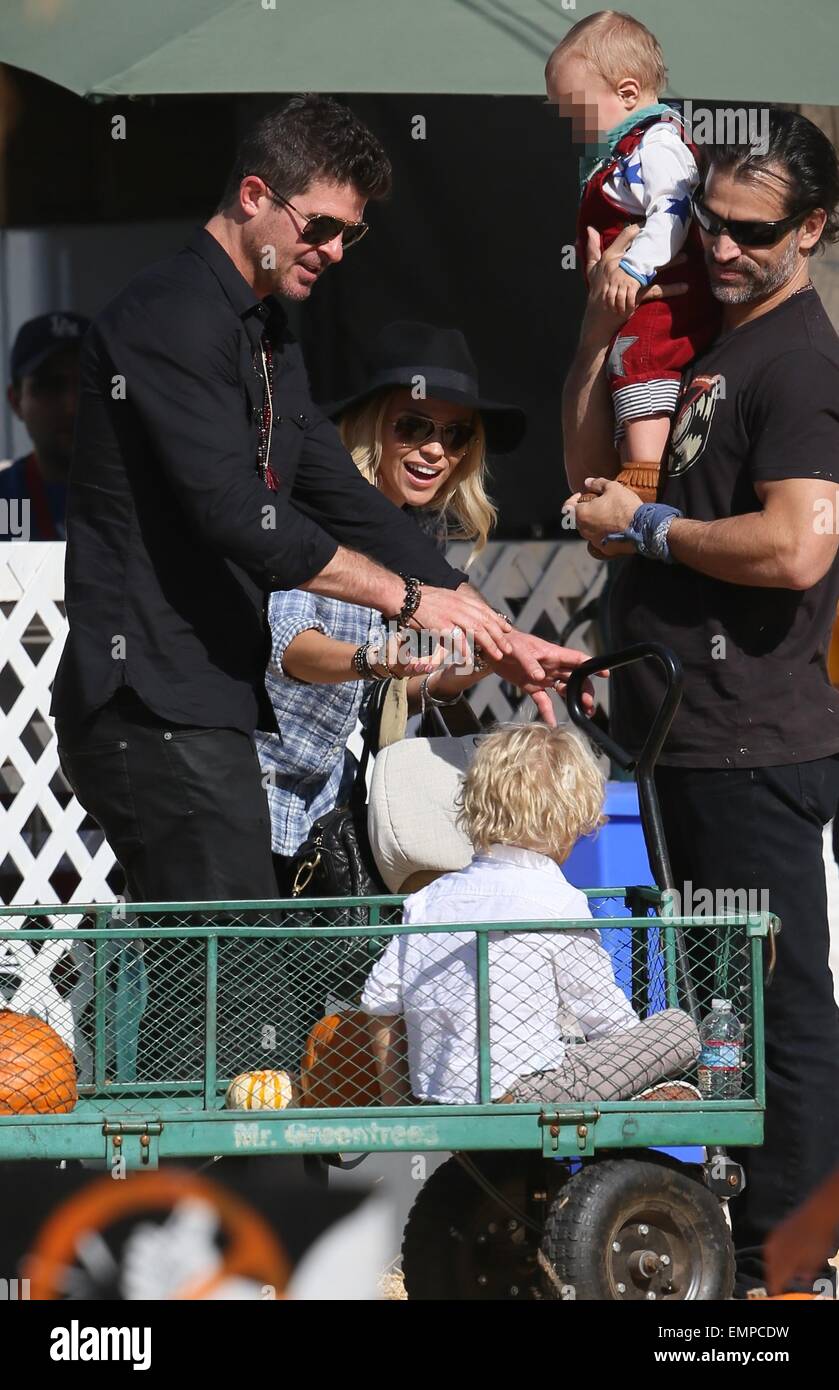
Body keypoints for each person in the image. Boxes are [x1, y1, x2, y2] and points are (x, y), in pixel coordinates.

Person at [50, 95, 587, 905]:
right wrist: (405, 599)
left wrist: (490, 626)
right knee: (224, 980)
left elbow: (336, 491)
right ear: (254, 195)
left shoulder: (265, 330)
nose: (335, 251)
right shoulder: (165, 316)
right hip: (146, 697)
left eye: (351, 234)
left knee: (229, 982)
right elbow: (231, 509)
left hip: (206, 702)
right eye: (322, 226)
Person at [565, 108, 839, 1296]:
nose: (718, 249)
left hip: (750, 736)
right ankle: (751, 1256)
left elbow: (793, 549)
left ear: (813, 230)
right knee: (721, 1006)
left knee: (776, 1006)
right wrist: (595, 323)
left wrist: (653, 530)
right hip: (691, 732)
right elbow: (591, 464)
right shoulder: (717, 341)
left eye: (748, 232)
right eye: (704, 222)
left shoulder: (799, 363)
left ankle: (792, 1266)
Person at [258, 319, 538, 891]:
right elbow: (292, 651)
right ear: (369, 427)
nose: (436, 451)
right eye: (413, 426)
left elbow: (382, 692)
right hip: (251, 807)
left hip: (330, 821)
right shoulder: (310, 521)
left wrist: (456, 676)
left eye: (457, 436)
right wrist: (372, 658)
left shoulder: (415, 542)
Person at [360, 722, 699, 1107]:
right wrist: (640, 1066)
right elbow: (603, 1019)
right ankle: (642, 1097)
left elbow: (379, 1000)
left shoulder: (428, 900)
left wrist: (399, 1102)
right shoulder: (557, 901)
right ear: (569, 820)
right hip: (525, 1094)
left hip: (436, 1096)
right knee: (679, 1029)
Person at [545, 11, 718, 491]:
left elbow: (674, 207)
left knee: (642, 364)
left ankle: (644, 479)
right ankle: (628, 468)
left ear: (627, 92)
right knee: (624, 369)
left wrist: (635, 270)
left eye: (577, 110)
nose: (571, 123)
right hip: (630, 301)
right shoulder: (622, 150)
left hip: (663, 297)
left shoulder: (657, 142)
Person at [0, 312, 89, 541]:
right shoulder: (5, 501)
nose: (72, 406)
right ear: (16, 401)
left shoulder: (151, 498)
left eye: (88, 383)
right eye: (50, 385)